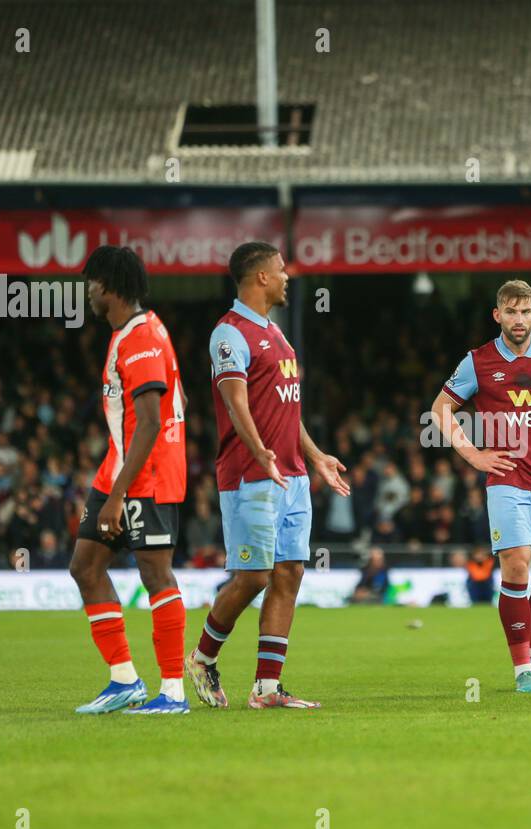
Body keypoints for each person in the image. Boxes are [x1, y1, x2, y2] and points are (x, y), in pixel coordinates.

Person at [183, 241, 350, 710]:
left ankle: (267, 688)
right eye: (280, 270)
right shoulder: (228, 334)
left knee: (290, 573)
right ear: (260, 278)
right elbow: (236, 403)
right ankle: (202, 657)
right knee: (254, 575)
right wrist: (262, 454)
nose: (287, 276)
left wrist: (315, 456)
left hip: (292, 475)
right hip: (250, 475)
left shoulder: (278, 336)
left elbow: (285, 411)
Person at [430, 279, 531, 692]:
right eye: (511, 312)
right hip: (507, 478)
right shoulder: (478, 361)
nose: (518, 319)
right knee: (517, 563)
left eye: (525, 312)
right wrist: (474, 455)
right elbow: (440, 409)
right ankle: (521, 666)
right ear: (497, 315)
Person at [68, 246, 190, 715]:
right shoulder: (134, 332)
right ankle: (124, 680)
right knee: (85, 566)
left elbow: (151, 421)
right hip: (119, 467)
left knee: (154, 573)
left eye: (91, 285)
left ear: (109, 288)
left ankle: (173, 692)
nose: (87, 294)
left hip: (146, 474)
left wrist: (118, 495)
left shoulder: (140, 338)